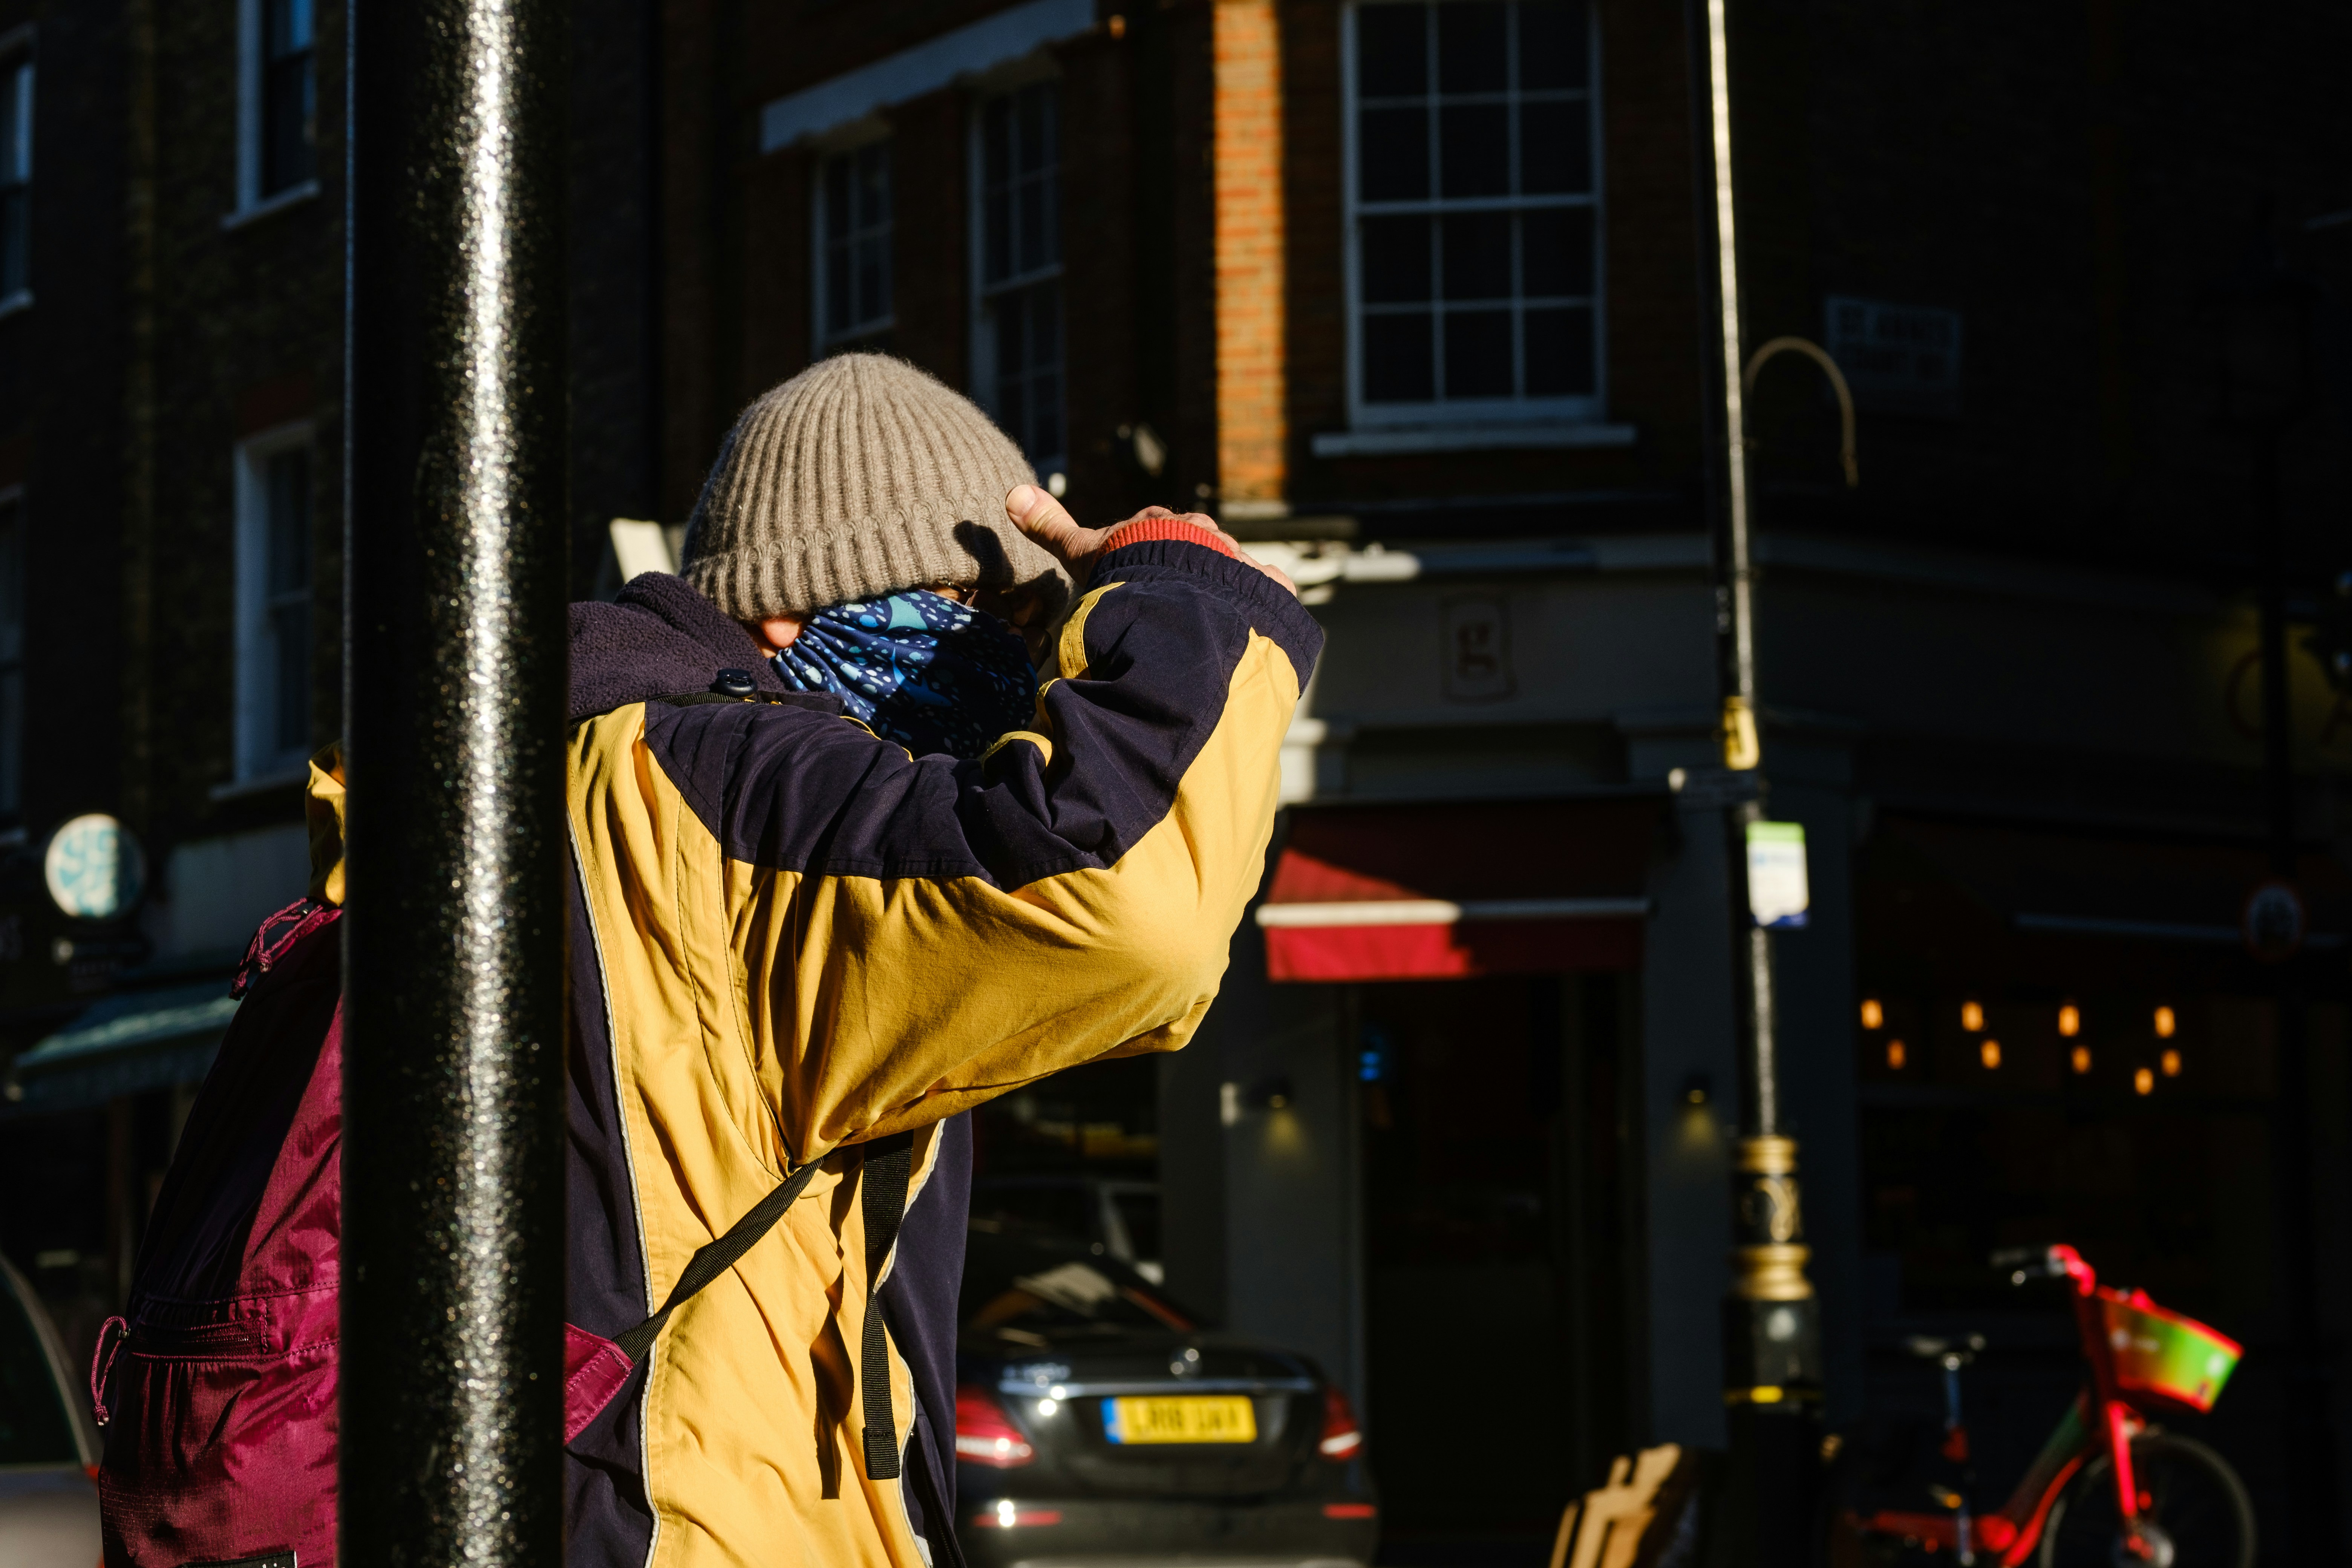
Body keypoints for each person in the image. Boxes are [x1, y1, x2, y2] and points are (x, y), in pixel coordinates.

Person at [562, 352, 1318, 1568]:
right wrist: (1184, 598)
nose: (1012, 660)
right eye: (980, 612)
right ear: (786, 612)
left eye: (1032, 624)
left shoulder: (599, 781)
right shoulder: (748, 791)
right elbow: (1127, 913)